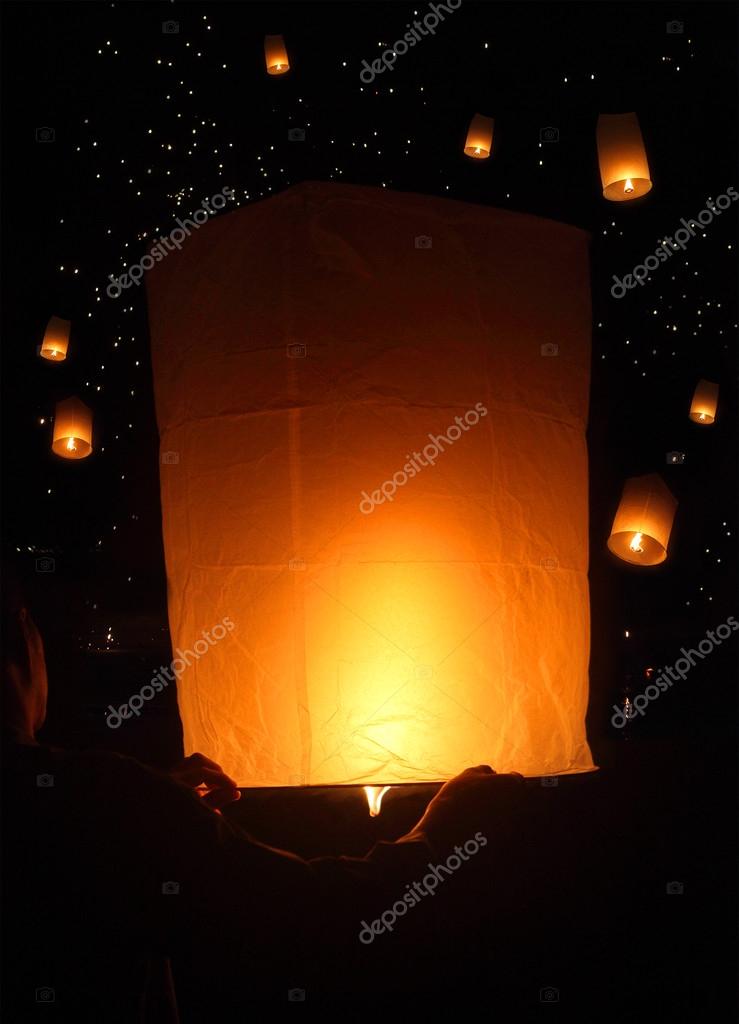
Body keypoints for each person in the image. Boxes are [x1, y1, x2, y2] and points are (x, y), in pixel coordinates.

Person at [2, 589, 528, 1020]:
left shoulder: (94, 797)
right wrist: (437, 838)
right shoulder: (98, 797)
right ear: (25, 640)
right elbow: (306, 915)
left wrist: (154, 802)